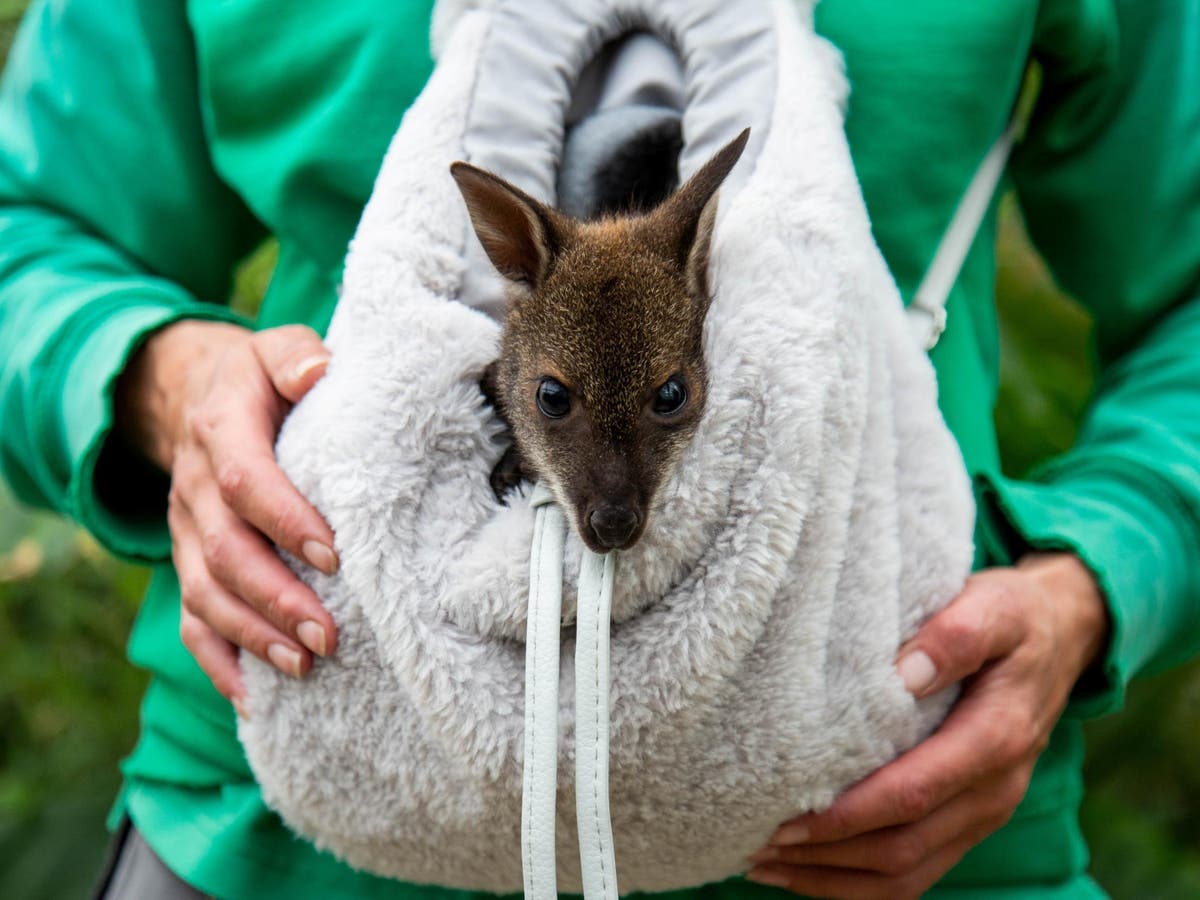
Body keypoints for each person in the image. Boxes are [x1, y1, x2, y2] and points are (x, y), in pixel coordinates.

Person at [0, 0, 1197, 898]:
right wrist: (169, 383)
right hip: (292, 813)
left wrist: (1091, 577)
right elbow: (30, 233)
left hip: (895, 828)